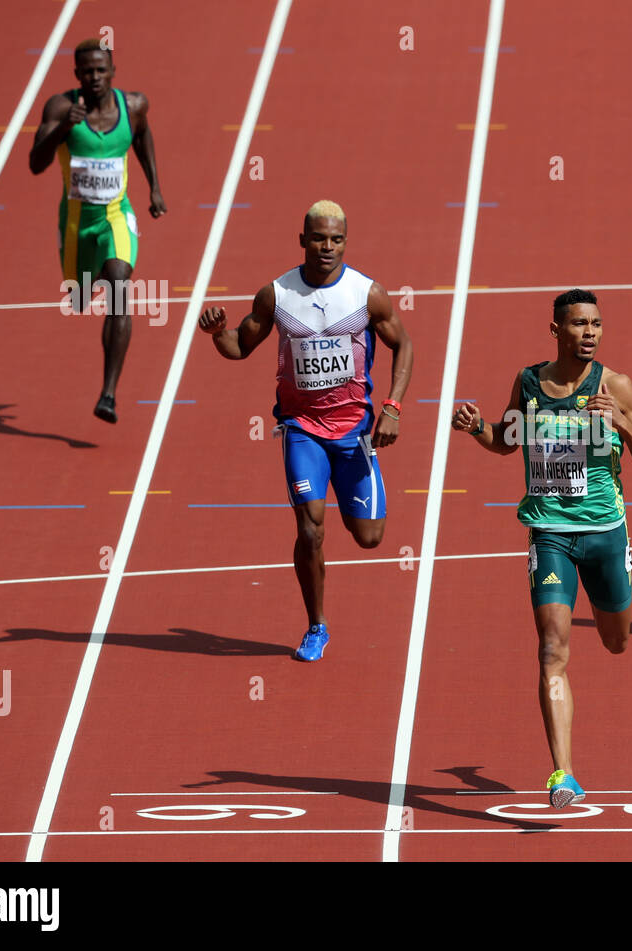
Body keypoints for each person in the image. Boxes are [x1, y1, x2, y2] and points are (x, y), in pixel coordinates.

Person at [452, 289, 632, 808]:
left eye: (595, 324)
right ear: (555, 329)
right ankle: (563, 772)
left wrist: (622, 423)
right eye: (578, 324)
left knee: (616, 642)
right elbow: (508, 439)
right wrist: (478, 426)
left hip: (606, 534)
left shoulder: (616, 386)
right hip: (549, 535)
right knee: (552, 649)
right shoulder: (528, 383)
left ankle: (614, 600)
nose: (589, 332)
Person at [198, 201, 413, 661]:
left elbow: (404, 344)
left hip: (353, 432)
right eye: (318, 238)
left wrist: (392, 407)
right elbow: (240, 346)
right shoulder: (277, 295)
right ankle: (316, 625)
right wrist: (219, 333)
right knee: (310, 530)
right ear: (302, 240)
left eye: (336, 239)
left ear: (345, 242)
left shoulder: (366, 294)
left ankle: (354, 499)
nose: (327, 247)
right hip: (301, 430)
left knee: (369, 537)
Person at [30, 38, 166, 423]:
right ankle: (90, 284)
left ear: (112, 72)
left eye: (101, 70)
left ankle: (108, 393)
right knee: (80, 298)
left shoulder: (133, 106)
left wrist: (154, 187)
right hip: (76, 223)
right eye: (87, 71)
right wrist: (61, 129)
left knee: (120, 282)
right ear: (77, 75)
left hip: (115, 217)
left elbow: (141, 135)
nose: (94, 77)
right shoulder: (59, 107)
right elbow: (35, 164)